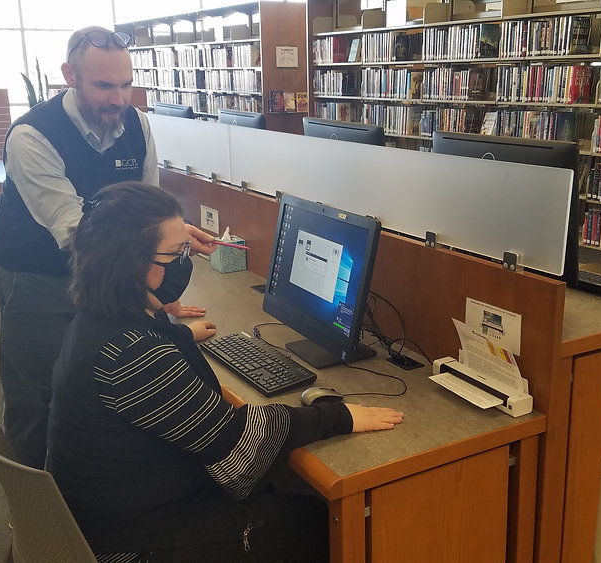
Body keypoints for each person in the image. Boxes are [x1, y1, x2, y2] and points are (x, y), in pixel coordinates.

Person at [47, 181, 403, 561]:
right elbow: (239, 447)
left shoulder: (100, 318)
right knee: (318, 521)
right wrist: (337, 416)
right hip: (136, 544)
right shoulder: (133, 356)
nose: (184, 260)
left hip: (112, 516)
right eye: (176, 252)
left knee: (283, 493)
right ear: (132, 265)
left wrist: (181, 332)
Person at [0, 26, 216, 468]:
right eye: (105, 86)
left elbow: (148, 217)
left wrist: (154, 288)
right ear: (69, 75)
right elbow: (76, 233)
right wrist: (144, 276)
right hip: (37, 278)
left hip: (108, 273)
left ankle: (93, 501)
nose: (119, 99)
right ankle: (39, 520)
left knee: (97, 392)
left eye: (127, 84)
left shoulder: (137, 125)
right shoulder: (32, 136)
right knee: (37, 399)